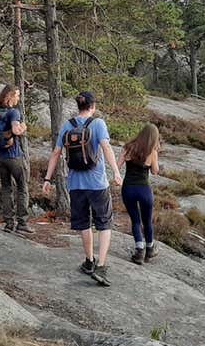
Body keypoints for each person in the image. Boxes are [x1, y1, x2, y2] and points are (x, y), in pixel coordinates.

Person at [42, 91, 122, 287]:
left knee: (84, 223)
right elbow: (106, 148)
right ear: (92, 106)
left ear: (78, 106)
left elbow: (55, 153)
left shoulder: (67, 125)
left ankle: (89, 261)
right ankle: (101, 267)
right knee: (104, 223)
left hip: (75, 184)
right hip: (97, 183)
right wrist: (116, 172)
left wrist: (47, 178)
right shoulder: (98, 124)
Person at [0, 85, 33, 234]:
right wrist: (23, 127)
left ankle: (8, 223)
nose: (18, 98)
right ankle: (22, 222)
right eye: (17, 95)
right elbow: (17, 130)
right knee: (22, 188)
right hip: (14, 156)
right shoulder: (13, 112)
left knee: (6, 188)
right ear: (10, 96)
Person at [117, 123, 160, 265]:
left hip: (128, 188)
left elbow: (117, 166)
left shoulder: (128, 147)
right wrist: (154, 154)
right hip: (144, 190)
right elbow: (155, 171)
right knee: (147, 221)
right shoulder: (152, 151)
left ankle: (139, 251)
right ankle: (150, 249)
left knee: (135, 220)